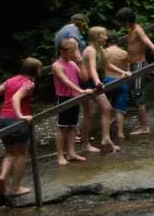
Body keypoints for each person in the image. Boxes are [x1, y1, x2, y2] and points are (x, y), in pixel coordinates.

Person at [0, 58, 40, 199]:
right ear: (36, 71)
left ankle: (3, 177)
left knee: (10, 153)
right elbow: (16, 97)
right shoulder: (29, 83)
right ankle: (16, 188)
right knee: (21, 154)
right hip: (17, 122)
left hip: (4, 120)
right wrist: (20, 115)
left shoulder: (11, 80)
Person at [120, 6, 154, 135]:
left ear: (127, 20)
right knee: (133, 95)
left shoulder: (137, 30)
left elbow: (148, 42)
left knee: (138, 95)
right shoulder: (131, 30)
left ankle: (145, 127)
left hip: (139, 65)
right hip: (133, 65)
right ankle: (143, 125)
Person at [52, 37, 89, 164]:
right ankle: (60, 156)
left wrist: (80, 62)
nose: (74, 54)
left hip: (74, 97)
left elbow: (84, 78)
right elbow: (65, 81)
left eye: (74, 51)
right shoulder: (57, 65)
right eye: (71, 52)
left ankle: (71, 153)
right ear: (62, 52)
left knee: (73, 126)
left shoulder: (72, 63)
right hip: (63, 98)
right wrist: (80, 90)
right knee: (63, 127)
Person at [81, 25, 117, 153]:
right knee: (89, 113)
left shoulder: (99, 48)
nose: (106, 37)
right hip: (87, 83)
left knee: (106, 108)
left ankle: (105, 138)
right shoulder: (90, 50)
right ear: (97, 37)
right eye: (104, 35)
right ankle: (85, 144)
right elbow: (91, 69)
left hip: (93, 82)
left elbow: (107, 64)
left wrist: (123, 72)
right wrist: (97, 82)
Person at [99, 30, 132, 147]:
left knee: (105, 110)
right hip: (121, 81)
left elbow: (103, 65)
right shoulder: (124, 52)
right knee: (120, 109)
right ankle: (120, 132)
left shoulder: (104, 52)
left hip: (108, 80)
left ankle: (105, 135)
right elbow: (128, 66)